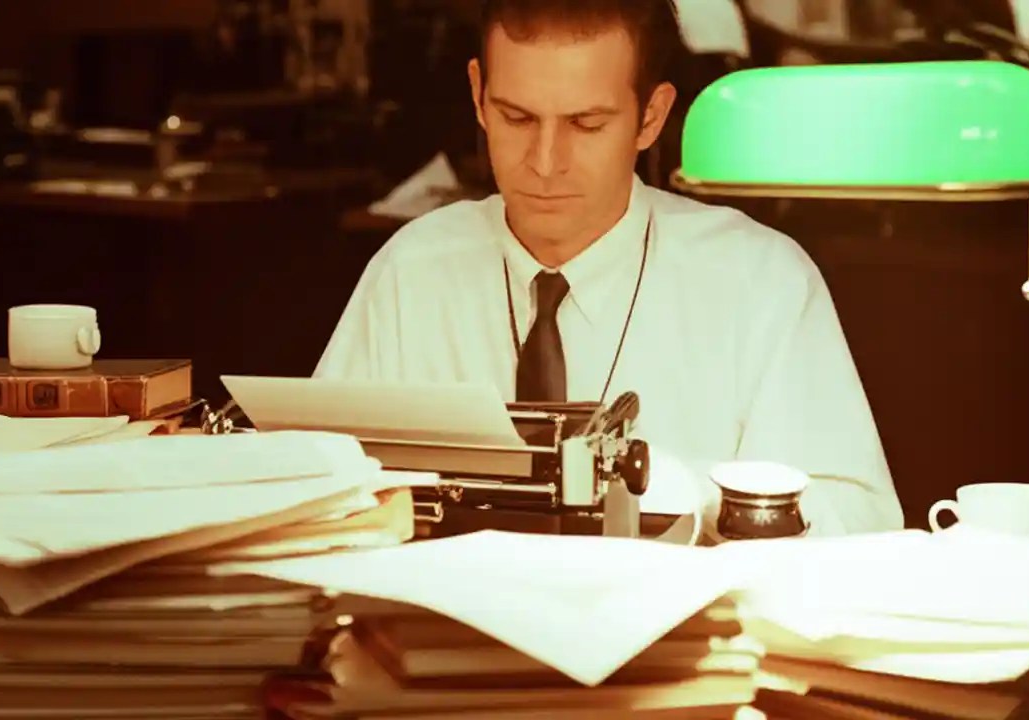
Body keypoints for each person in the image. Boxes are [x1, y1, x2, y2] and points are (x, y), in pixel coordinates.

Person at [315, 0, 904, 537]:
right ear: (477, 95)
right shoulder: (410, 272)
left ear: (651, 117)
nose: (545, 163)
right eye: (517, 118)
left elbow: (861, 522)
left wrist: (678, 492)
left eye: (586, 124)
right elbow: (307, 496)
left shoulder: (758, 282)